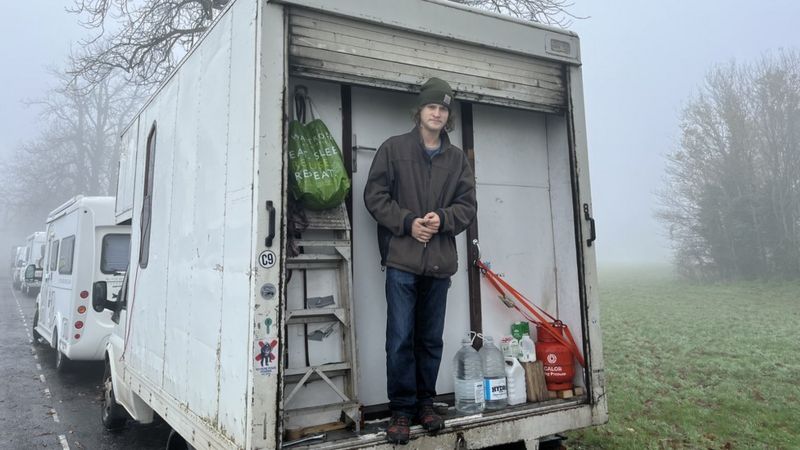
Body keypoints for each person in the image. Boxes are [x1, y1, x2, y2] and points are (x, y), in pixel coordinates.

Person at [363, 77, 477, 445]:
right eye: (432, 107)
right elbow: (374, 196)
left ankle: (426, 404)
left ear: (448, 116)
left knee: (429, 339)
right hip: (402, 261)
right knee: (399, 339)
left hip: (439, 264)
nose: (437, 113)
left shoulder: (457, 159)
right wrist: (408, 223)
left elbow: (467, 207)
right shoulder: (393, 149)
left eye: (444, 109)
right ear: (420, 110)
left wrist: (441, 219)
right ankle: (400, 409)